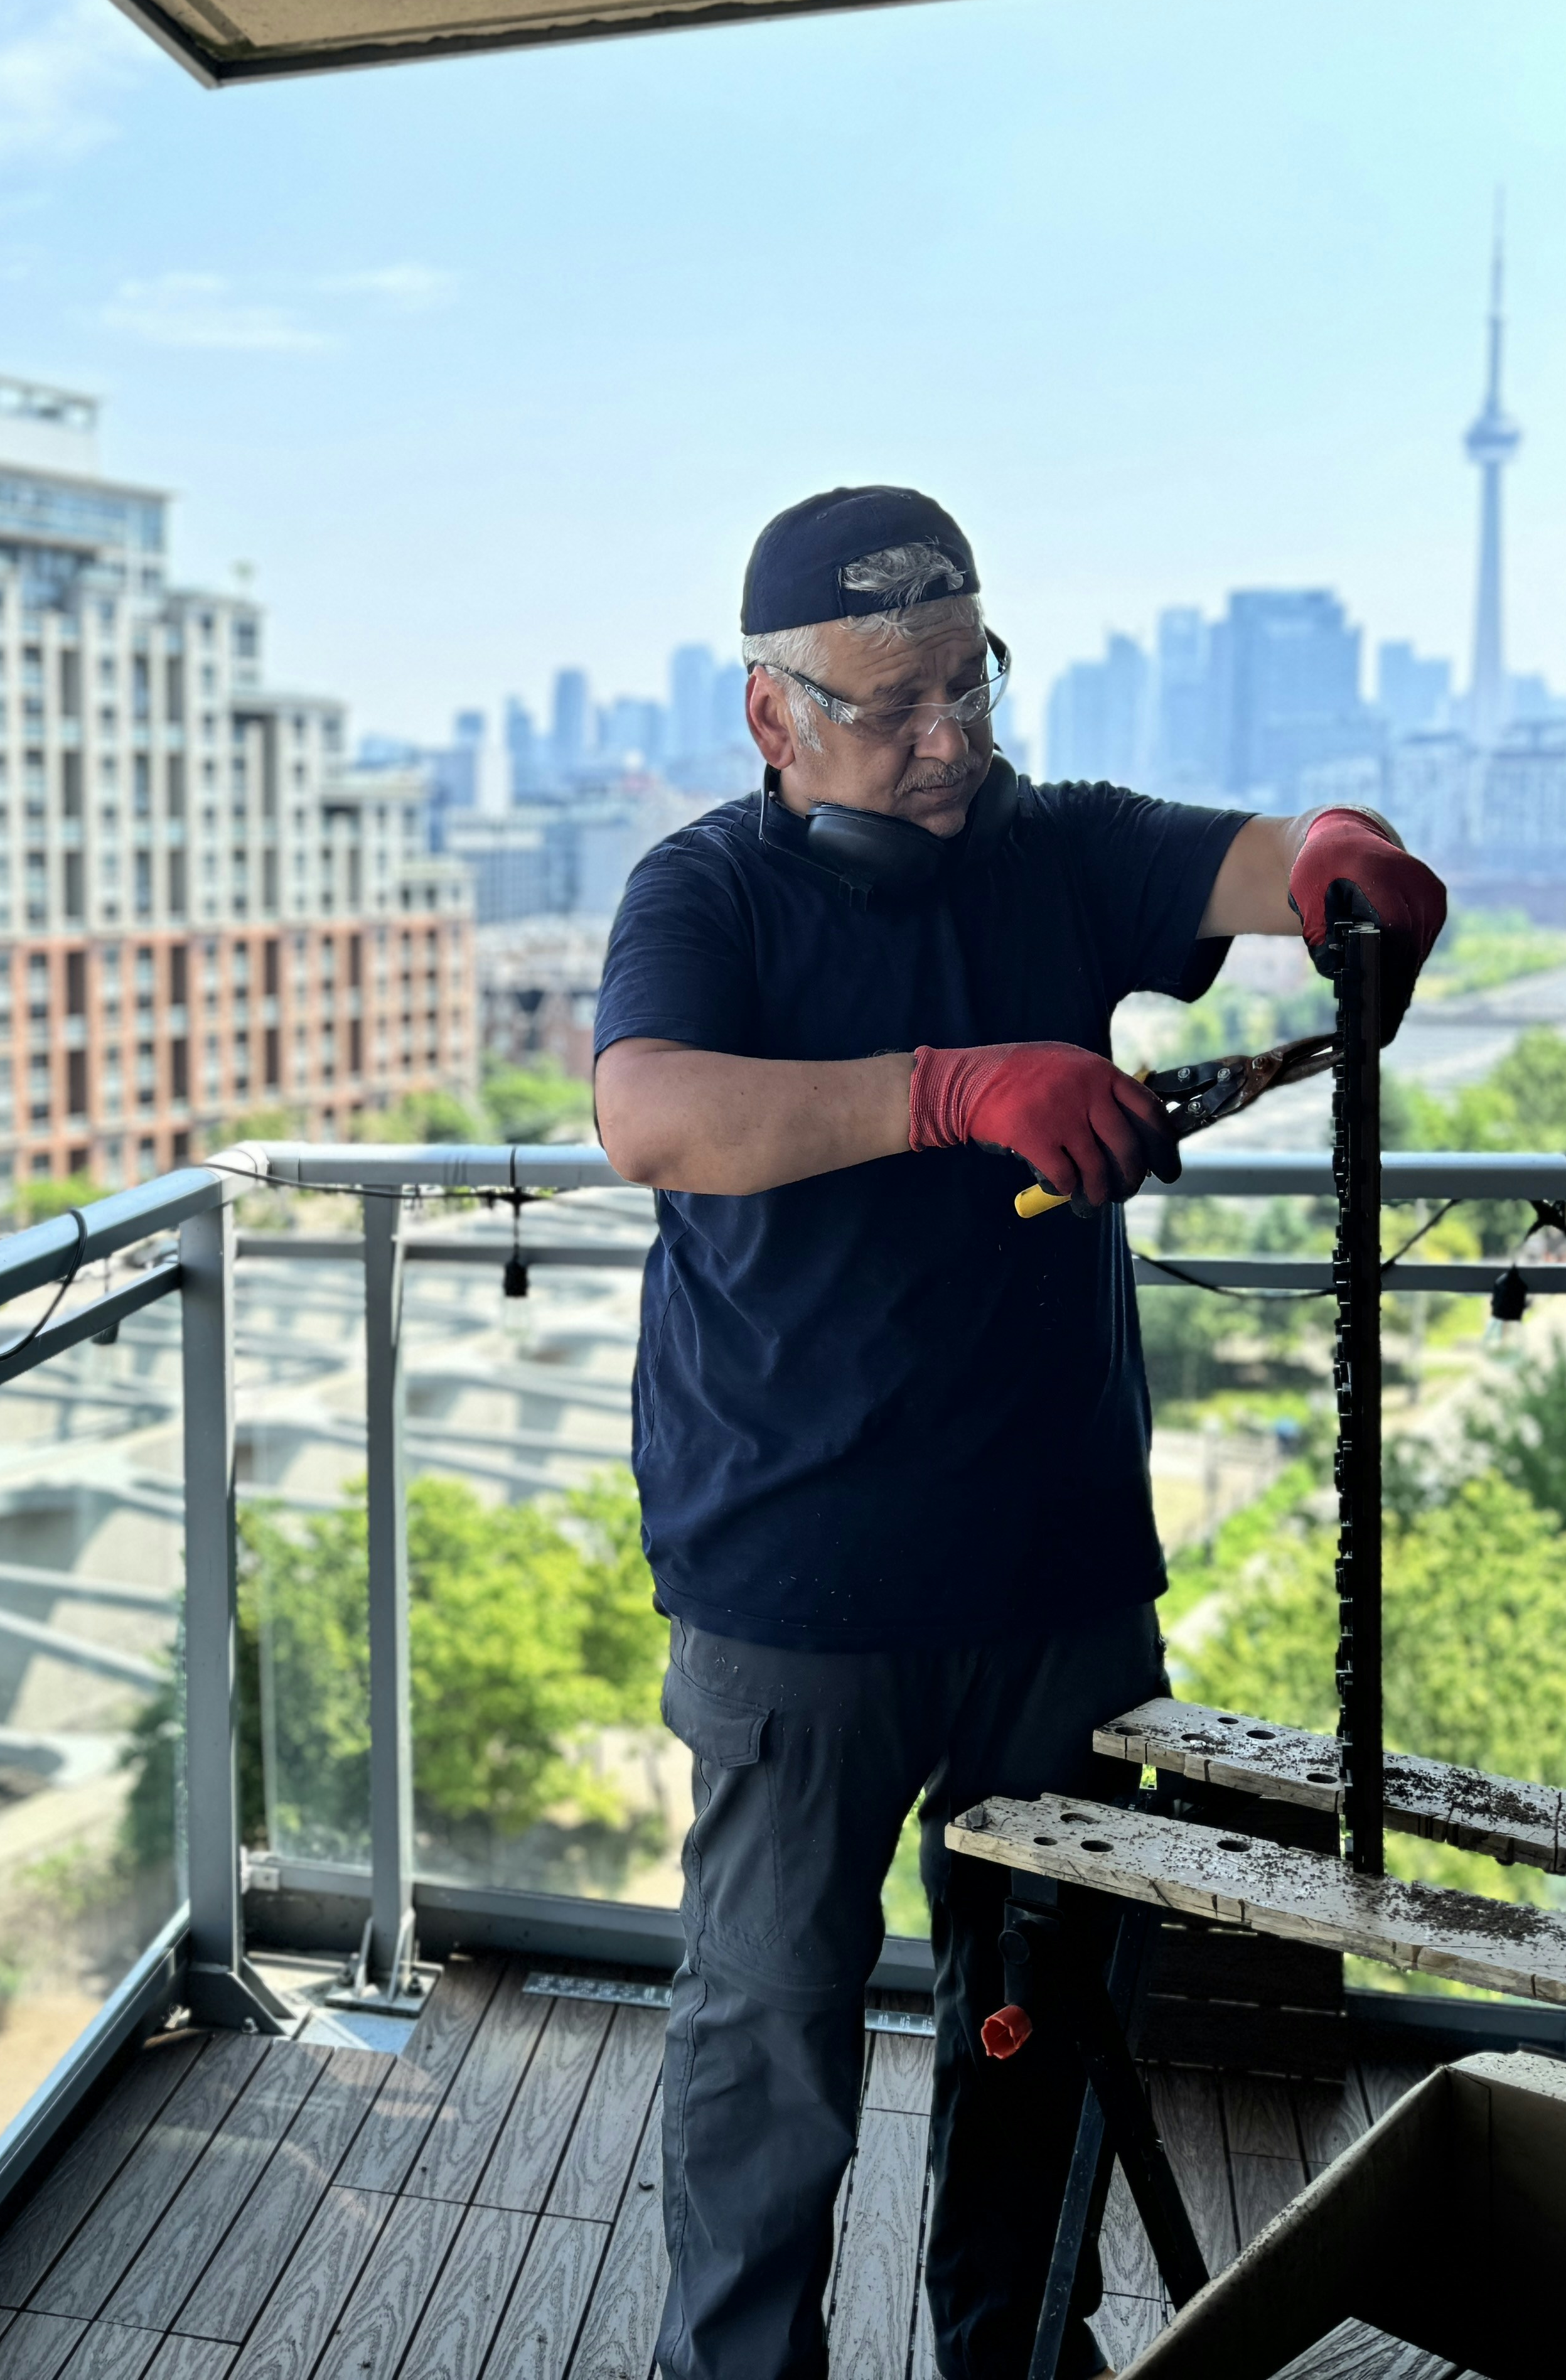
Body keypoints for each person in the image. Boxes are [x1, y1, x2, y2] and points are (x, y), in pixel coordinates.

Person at [591, 484, 1447, 2380]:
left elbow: (1248, 857)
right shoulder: (706, 893)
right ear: (772, 716)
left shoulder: (1052, 848)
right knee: (768, 2035)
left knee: (1033, 2019)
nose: (949, 737)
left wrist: (1338, 854)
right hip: (792, 1581)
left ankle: (1009, 2352)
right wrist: (959, 1086)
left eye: (970, 684)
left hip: (1053, 1573)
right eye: (893, 704)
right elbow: (651, 1114)